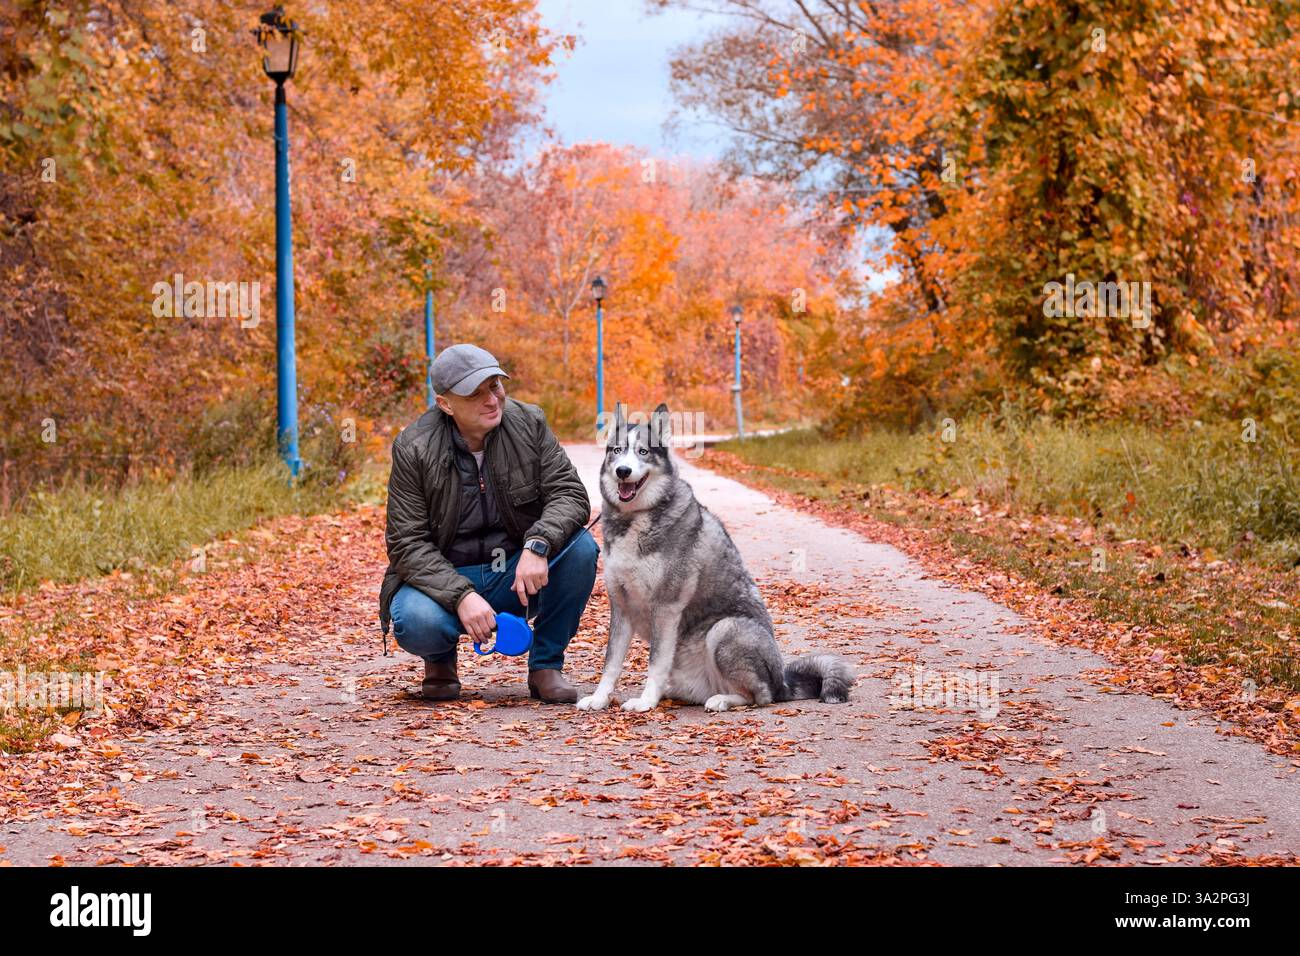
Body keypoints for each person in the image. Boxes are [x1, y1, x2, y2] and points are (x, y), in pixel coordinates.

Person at [378, 343, 598, 703]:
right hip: (446, 578)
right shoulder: (413, 447)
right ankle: (439, 661)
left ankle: (546, 666)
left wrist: (537, 544)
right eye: (475, 394)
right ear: (446, 404)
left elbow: (570, 494)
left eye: (495, 385)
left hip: (513, 575)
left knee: (580, 549)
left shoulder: (529, 423)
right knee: (416, 620)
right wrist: (460, 595)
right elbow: (407, 544)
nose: (492, 400)